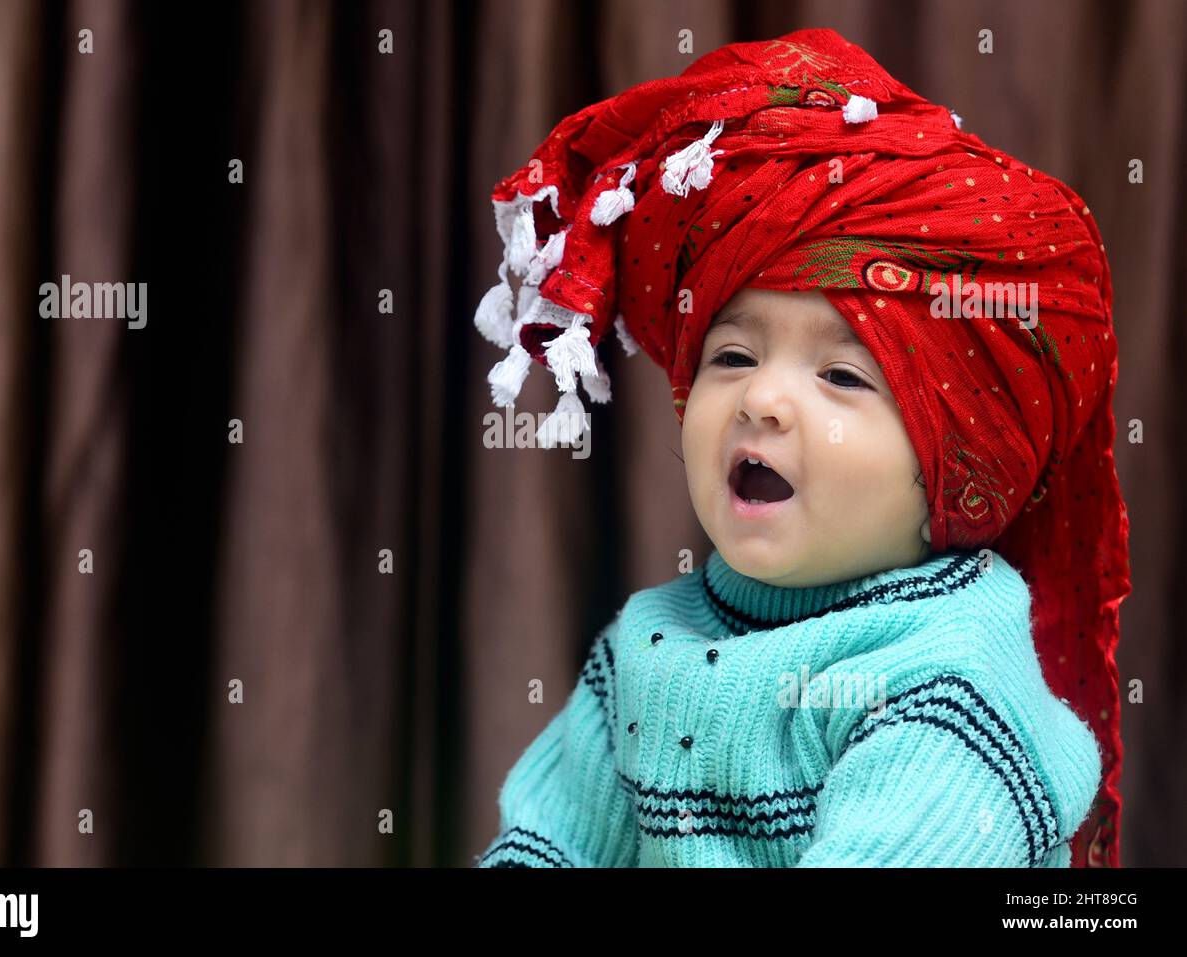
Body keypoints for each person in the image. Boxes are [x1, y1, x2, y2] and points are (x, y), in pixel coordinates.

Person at [472, 28, 1130, 867]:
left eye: (844, 377)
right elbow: (545, 842)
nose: (763, 399)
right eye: (734, 356)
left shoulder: (952, 681)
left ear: (959, 464)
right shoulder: (646, 644)